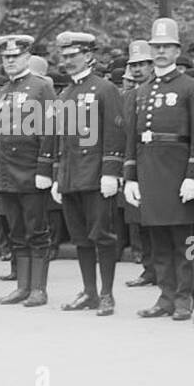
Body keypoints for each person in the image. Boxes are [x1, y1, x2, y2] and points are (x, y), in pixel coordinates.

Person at [124, 18, 194, 321]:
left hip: (180, 173)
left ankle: (185, 297)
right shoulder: (141, 91)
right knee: (158, 240)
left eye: (166, 47)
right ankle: (165, 296)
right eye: (156, 46)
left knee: (186, 242)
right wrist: (130, 178)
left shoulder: (191, 88)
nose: (160, 51)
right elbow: (132, 139)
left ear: (177, 50)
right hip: (150, 174)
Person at [52, 31, 125, 316]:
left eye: (74, 56)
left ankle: (107, 293)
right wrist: (59, 177)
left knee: (102, 235)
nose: (68, 61)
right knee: (80, 238)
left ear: (89, 56)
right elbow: (61, 139)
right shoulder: (65, 93)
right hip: (71, 176)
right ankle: (89, 292)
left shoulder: (105, 89)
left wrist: (111, 171)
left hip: (95, 175)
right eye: (65, 56)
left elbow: (115, 132)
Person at [0, 34, 56, 306]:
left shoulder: (41, 87)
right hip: (7, 172)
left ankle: (38, 289)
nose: (11, 62)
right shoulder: (2, 92)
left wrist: (45, 168)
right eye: (6, 58)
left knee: (36, 230)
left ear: (28, 57)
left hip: (31, 170)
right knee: (16, 231)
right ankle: (22, 286)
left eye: (16, 57)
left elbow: (51, 130)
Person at [120, 40, 158, 289]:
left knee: (178, 226)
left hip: (164, 166)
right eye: (133, 65)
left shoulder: (165, 89)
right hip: (137, 164)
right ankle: (149, 269)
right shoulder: (130, 96)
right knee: (141, 221)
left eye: (143, 64)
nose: (137, 69)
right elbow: (125, 133)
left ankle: (191, 258)